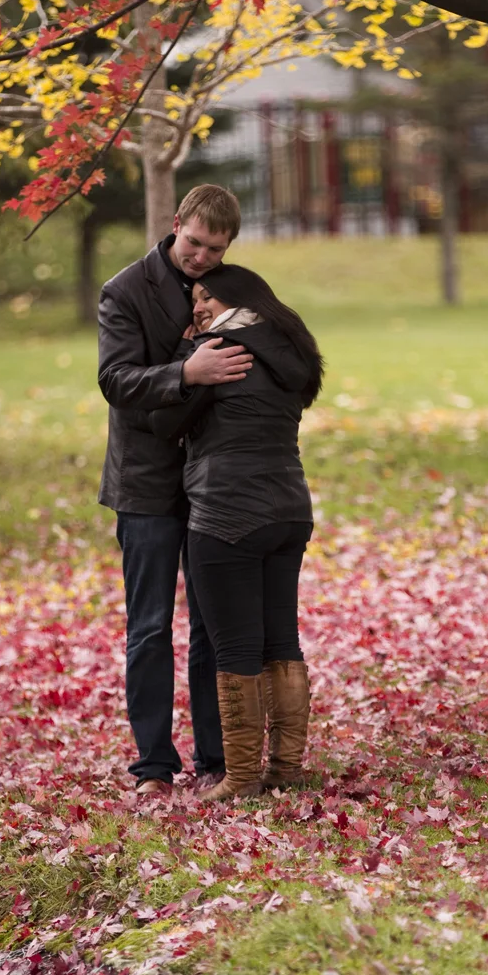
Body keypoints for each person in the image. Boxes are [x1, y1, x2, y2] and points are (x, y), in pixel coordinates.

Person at [97, 184, 254, 796]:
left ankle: (216, 759)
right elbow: (115, 380)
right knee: (150, 626)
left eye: (215, 250)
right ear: (175, 224)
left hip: (213, 480)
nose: (201, 258)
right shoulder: (124, 290)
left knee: (212, 624)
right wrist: (187, 371)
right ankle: (154, 766)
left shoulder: (230, 288)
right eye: (194, 243)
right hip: (145, 480)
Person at [151, 265, 325, 802]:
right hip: (289, 508)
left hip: (227, 511)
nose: (198, 307)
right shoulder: (288, 348)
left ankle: (243, 776)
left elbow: (162, 424)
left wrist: (185, 361)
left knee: (235, 647)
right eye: (194, 299)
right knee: (282, 641)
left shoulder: (218, 352)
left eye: (207, 296)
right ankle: (287, 767)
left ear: (237, 298)